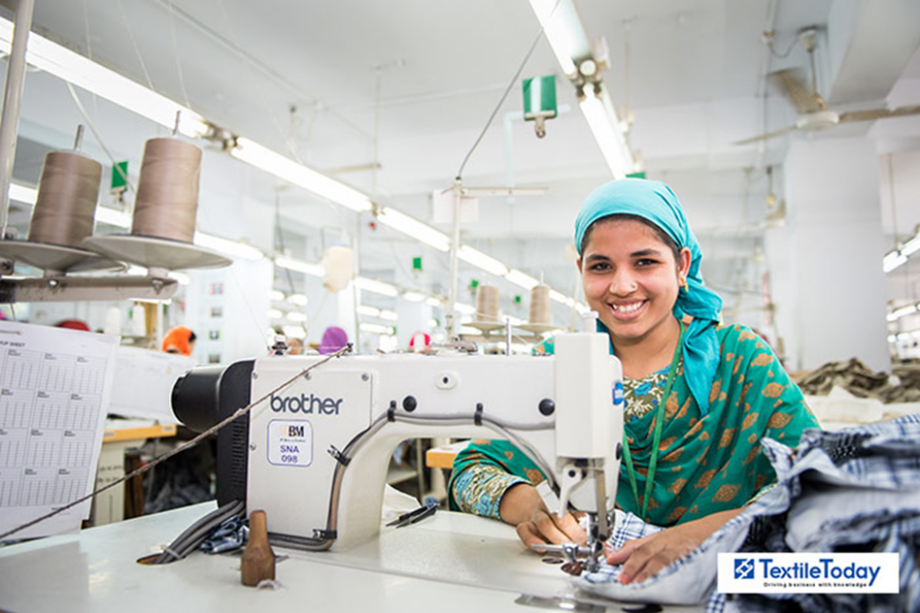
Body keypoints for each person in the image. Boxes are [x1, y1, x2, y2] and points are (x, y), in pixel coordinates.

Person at [449, 178, 820, 585]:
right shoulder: (553, 363)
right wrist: (529, 505)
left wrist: (707, 533)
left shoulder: (741, 361)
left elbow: (819, 482)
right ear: (581, 270)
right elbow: (470, 469)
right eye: (601, 266)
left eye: (644, 262)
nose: (621, 285)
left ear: (681, 266)